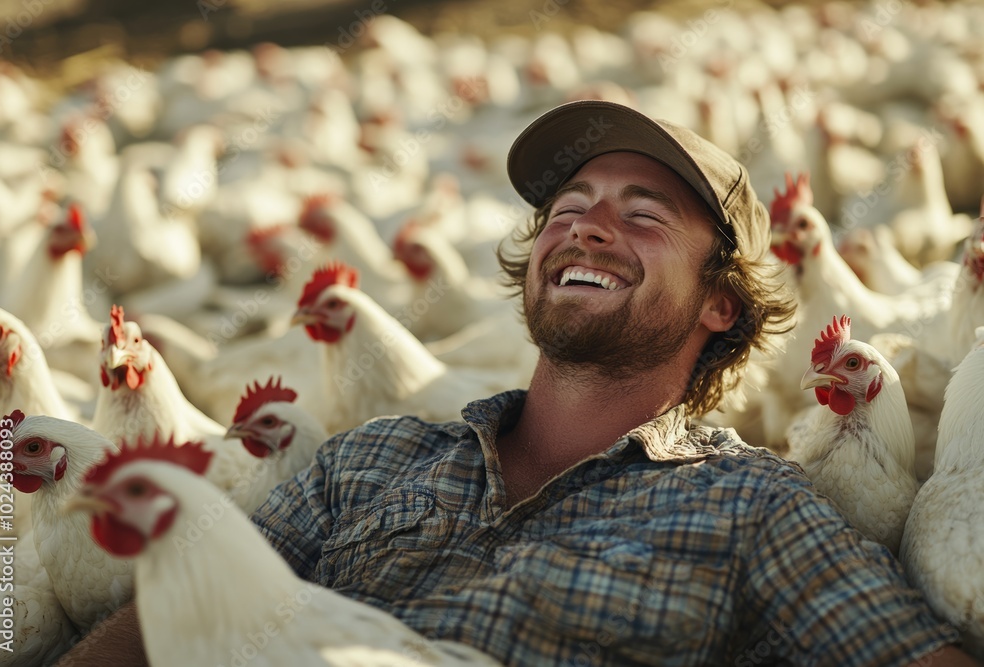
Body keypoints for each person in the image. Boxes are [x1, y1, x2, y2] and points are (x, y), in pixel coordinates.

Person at [56, 100, 979, 666]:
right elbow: (166, 617)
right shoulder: (369, 457)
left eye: (642, 214)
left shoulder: (752, 504)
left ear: (720, 307)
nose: (586, 227)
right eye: (566, 209)